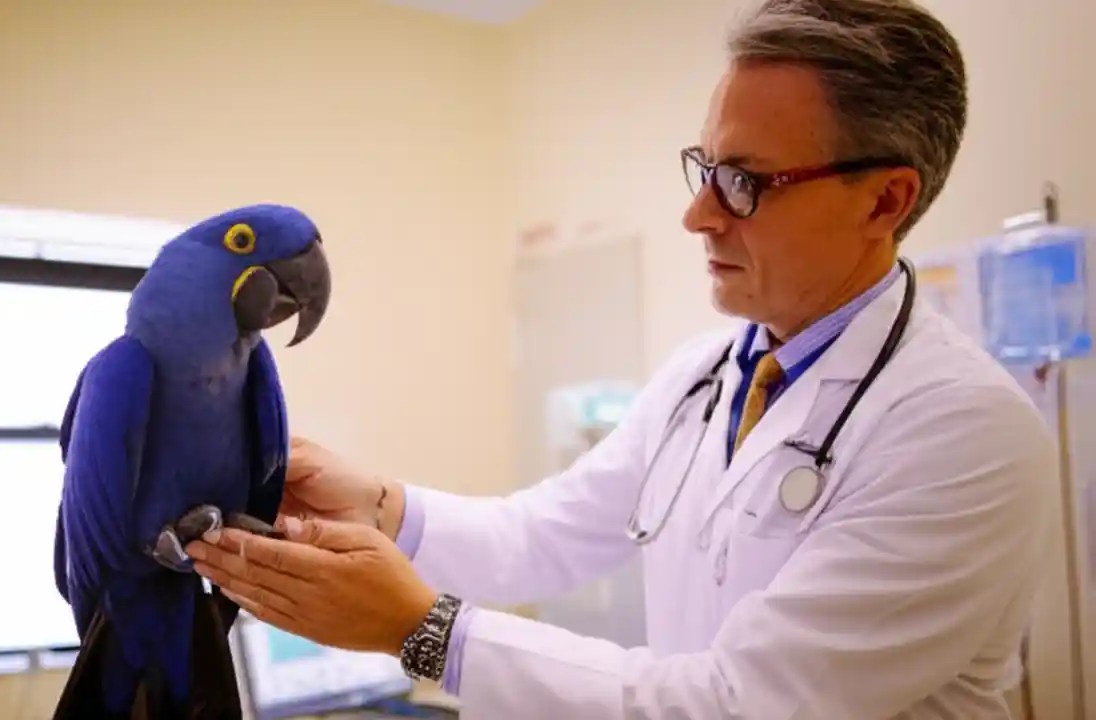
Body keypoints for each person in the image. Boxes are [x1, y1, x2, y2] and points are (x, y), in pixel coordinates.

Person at [187, 0, 1059, 716]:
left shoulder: (962, 433)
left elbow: (734, 704)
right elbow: (541, 536)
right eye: (705, 169)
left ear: (886, 200)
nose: (701, 215)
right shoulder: (703, 379)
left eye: (747, 182)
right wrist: (376, 506)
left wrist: (424, 632)